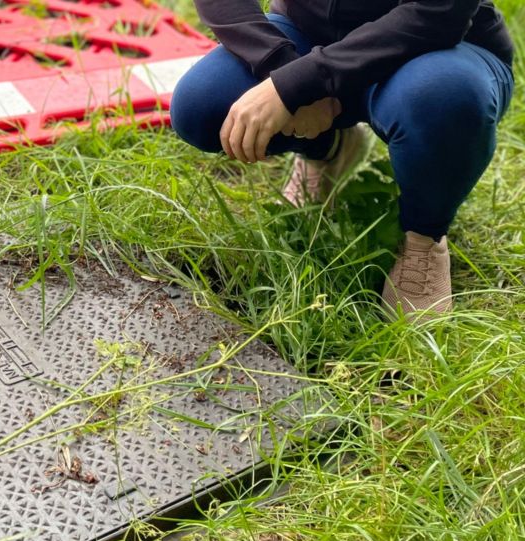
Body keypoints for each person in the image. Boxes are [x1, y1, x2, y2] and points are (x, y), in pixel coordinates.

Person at [170, 0, 515, 321]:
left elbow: (438, 14)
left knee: (444, 97)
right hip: (308, 33)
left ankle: (425, 238)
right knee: (203, 105)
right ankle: (328, 150)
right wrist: (280, 68)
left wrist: (298, 83)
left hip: (437, 48)